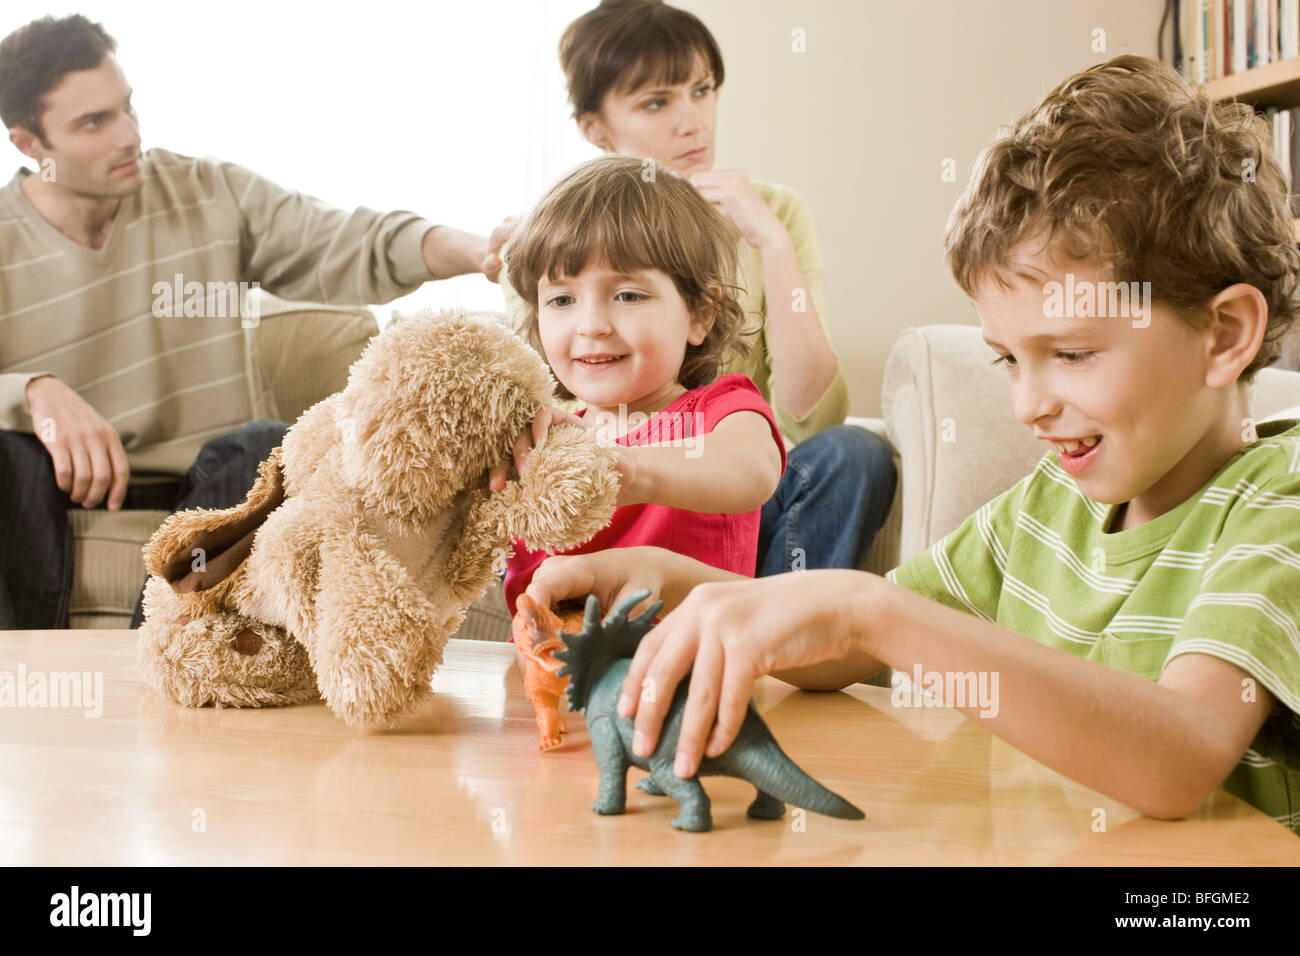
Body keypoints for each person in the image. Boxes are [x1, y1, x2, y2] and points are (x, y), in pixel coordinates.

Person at [526, 56, 1300, 833]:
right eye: (1008, 359)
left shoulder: (1281, 499)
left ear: (1225, 334)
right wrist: (663, 576)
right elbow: (840, 653)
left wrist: (868, 609)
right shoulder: (1047, 502)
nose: (1028, 405)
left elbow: (1179, 758)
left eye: (1070, 354)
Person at [0, 15, 509, 629]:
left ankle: (155, 652)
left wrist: (479, 249)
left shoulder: (207, 192)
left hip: (207, 477)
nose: (129, 135)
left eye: (127, 107)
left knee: (268, 443)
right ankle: (21, 668)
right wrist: (33, 391)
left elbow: (345, 240)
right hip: (61, 486)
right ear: (30, 144)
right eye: (94, 123)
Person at [496, 0, 896, 577]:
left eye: (702, 90)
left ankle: (781, 628)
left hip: (734, 492)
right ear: (594, 128)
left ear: (701, 310)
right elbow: (558, 403)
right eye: (657, 102)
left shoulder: (772, 213)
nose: (693, 121)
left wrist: (773, 246)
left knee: (855, 453)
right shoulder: (549, 243)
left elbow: (814, 420)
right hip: (609, 507)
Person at [500, 155, 785, 615]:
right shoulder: (546, 437)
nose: (591, 325)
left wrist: (630, 469)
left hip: (689, 668)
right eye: (562, 299)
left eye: (628, 295)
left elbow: (753, 470)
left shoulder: (721, 408)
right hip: (545, 674)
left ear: (700, 314)